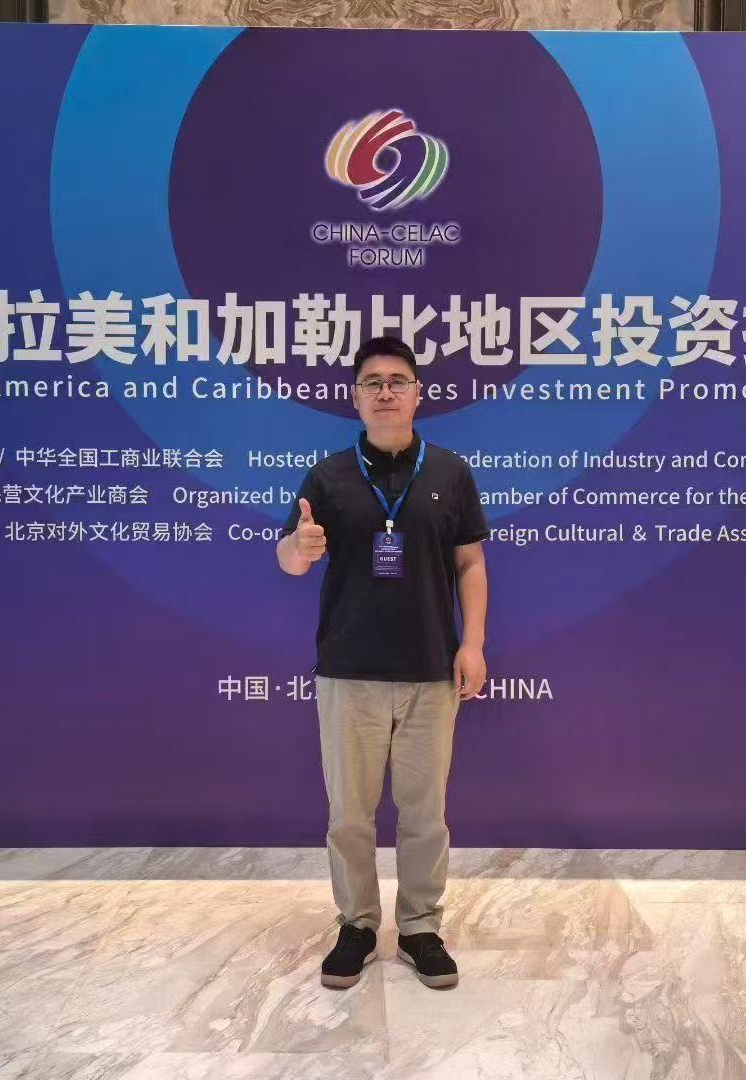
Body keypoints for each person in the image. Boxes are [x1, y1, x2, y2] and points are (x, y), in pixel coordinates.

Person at [277, 335, 489, 990]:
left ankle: (421, 928)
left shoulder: (450, 472)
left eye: (398, 381)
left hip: (430, 670)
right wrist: (299, 546)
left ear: (418, 393)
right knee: (350, 813)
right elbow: (289, 559)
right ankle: (358, 926)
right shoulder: (329, 477)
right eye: (373, 382)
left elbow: (470, 563)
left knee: (425, 814)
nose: (386, 392)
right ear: (356, 397)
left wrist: (473, 643)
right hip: (349, 671)